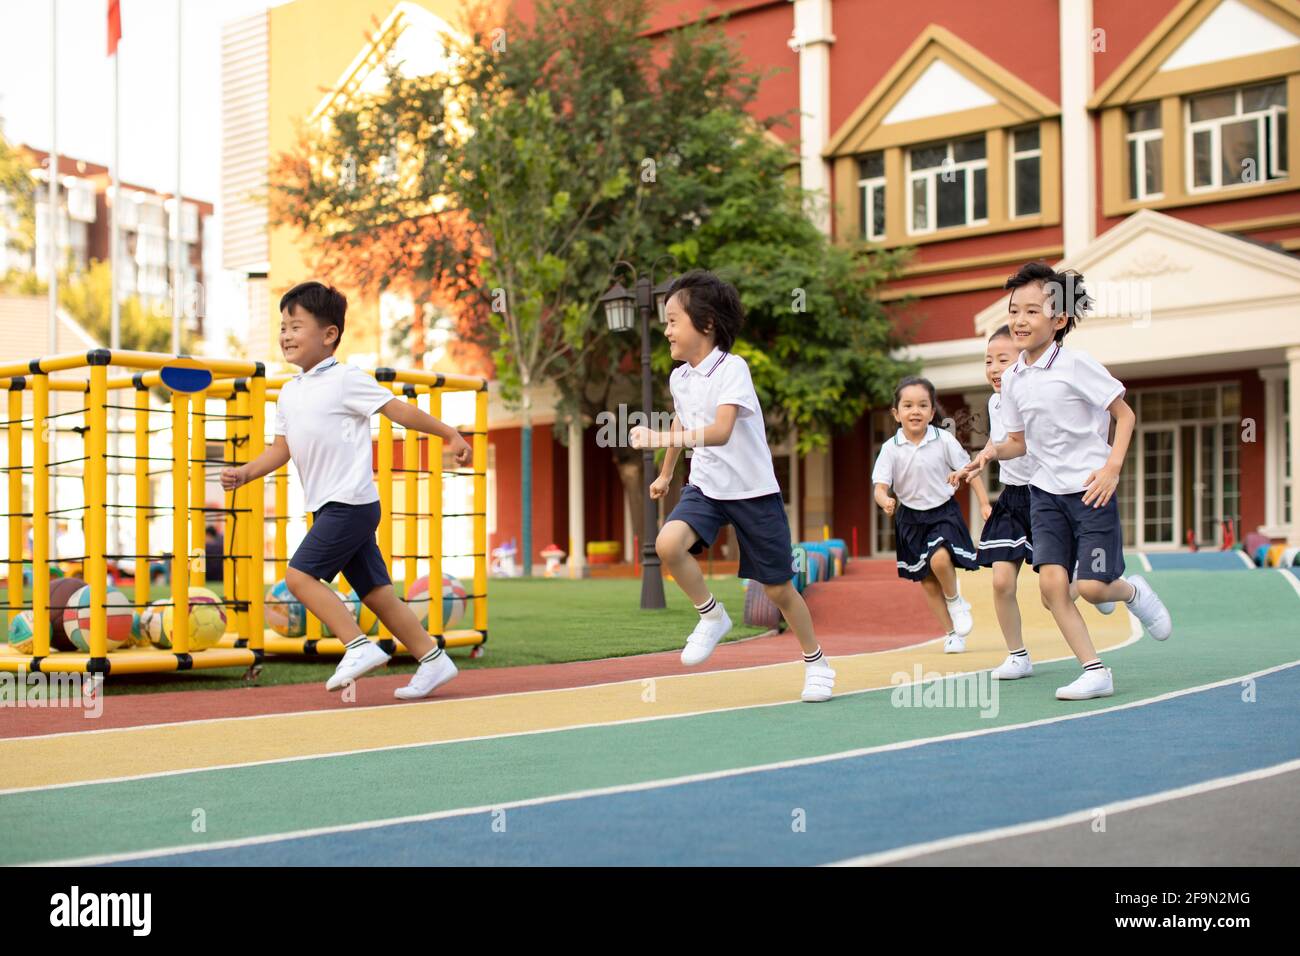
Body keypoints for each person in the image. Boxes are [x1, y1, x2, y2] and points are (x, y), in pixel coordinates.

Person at [221, 281, 473, 699]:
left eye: (296, 326)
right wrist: (247, 472)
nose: (285, 335)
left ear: (329, 334)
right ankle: (432, 659)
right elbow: (281, 449)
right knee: (377, 594)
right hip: (329, 507)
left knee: (299, 577)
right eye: (282, 327)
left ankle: (357, 647)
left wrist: (450, 434)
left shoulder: (345, 380)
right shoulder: (288, 392)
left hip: (351, 504)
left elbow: (400, 411)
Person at [962, 263, 1172, 700]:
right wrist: (986, 453)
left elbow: (1125, 415)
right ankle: (1095, 670)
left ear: (1058, 320)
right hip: (1044, 495)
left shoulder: (1077, 365)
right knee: (1052, 587)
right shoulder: (1014, 378)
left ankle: (1131, 590)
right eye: (1014, 310)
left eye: (1031, 311)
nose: (1019, 320)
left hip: (1091, 491)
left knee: (1094, 587)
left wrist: (1112, 467)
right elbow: (1018, 442)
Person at [630, 269, 834, 702]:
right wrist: (667, 473)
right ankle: (711, 616)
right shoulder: (680, 377)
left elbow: (720, 430)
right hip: (706, 486)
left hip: (753, 491)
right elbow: (684, 419)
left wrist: (658, 439)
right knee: (668, 544)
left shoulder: (732, 368)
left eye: (672, 320)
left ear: (705, 325)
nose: (665, 330)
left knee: (778, 588)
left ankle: (816, 661)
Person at [872, 376, 989, 653]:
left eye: (923, 405)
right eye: (908, 405)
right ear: (896, 413)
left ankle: (956, 600)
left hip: (942, 513)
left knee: (939, 559)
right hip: (910, 519)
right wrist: (884, 500)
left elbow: (970, 472)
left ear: (932, 412)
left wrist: (985, 504)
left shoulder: (943, 439)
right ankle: (951, 634)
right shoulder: (890, 448)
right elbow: (880, 487)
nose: (915, 411)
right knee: (926, 581)